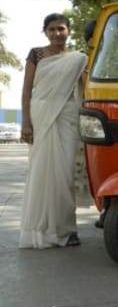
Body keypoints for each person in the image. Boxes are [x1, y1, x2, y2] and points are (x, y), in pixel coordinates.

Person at [19, 13, 88, 249]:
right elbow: (27, 90)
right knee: (41, 172)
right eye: (52, 29)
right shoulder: (36, 54)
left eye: (61, 29)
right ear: (45, 32)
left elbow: (85, 90)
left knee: (65, 175)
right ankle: (41, 230)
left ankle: (67, 229)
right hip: (41, 116)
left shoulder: (79, 59)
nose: (57, 33)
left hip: (68, 117)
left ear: (69, 30)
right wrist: (26, 123)